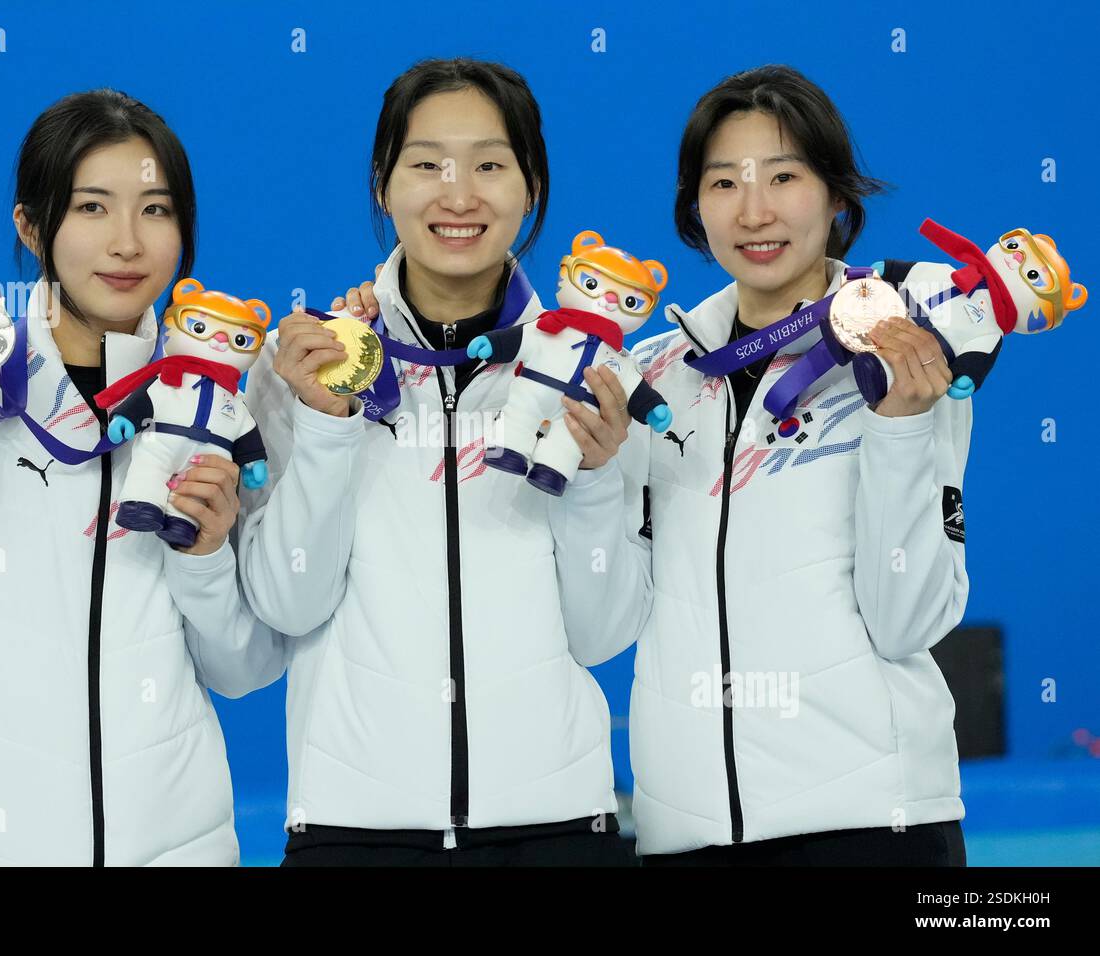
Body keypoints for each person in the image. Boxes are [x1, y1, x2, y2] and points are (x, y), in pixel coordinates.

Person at [0, 89, 284, 866]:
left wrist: (205, 556)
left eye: (155, 209)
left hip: (178, 848)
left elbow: (245, 669)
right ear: (30, 225)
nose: (126, 242)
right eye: (90, 208)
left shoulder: (215, 408)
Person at [552, 64, 970, 865]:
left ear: (837, 198)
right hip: (686, 833)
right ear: (694, 207)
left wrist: (900, 433)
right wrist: (598, 480)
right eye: (724, 183)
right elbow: (602, 627)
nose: (755, 211)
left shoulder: (908, 361)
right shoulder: (654, 378)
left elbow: (910, 619)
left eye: (785, 176)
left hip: (872, 827)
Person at [238, 58, 633, 866]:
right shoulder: (302, 362)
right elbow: (287, 602)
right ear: (383, 185)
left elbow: (602, 635)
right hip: (354, 835)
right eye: (427, 165)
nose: (459, 196)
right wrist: (325, 427)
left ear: (531, 187)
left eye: (490, 164)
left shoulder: (595, 373)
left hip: (557, 832)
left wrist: (592, 481)